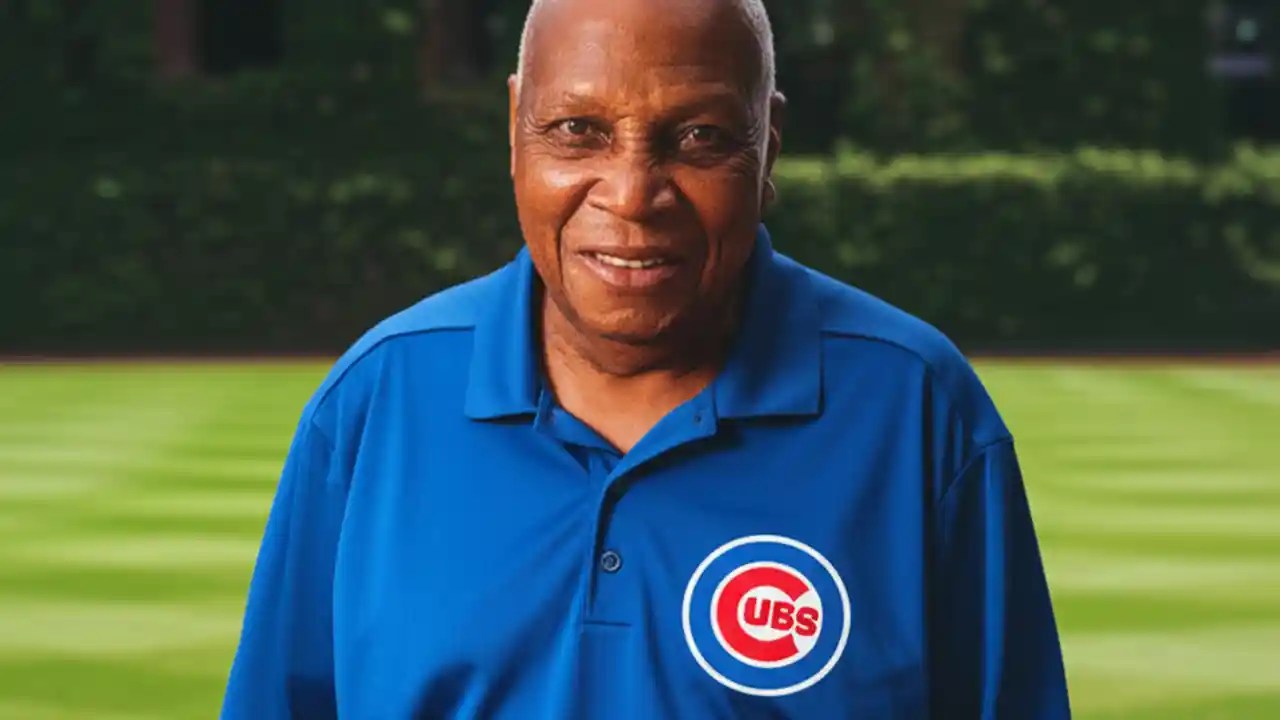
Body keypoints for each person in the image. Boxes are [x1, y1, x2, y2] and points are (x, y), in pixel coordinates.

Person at [221, 0, 1071, 717]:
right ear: (515, 132)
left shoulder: (916, 409)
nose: (632, 194)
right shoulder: (379, 399)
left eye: (698, 136)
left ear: (768, 146)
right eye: (577, 130)